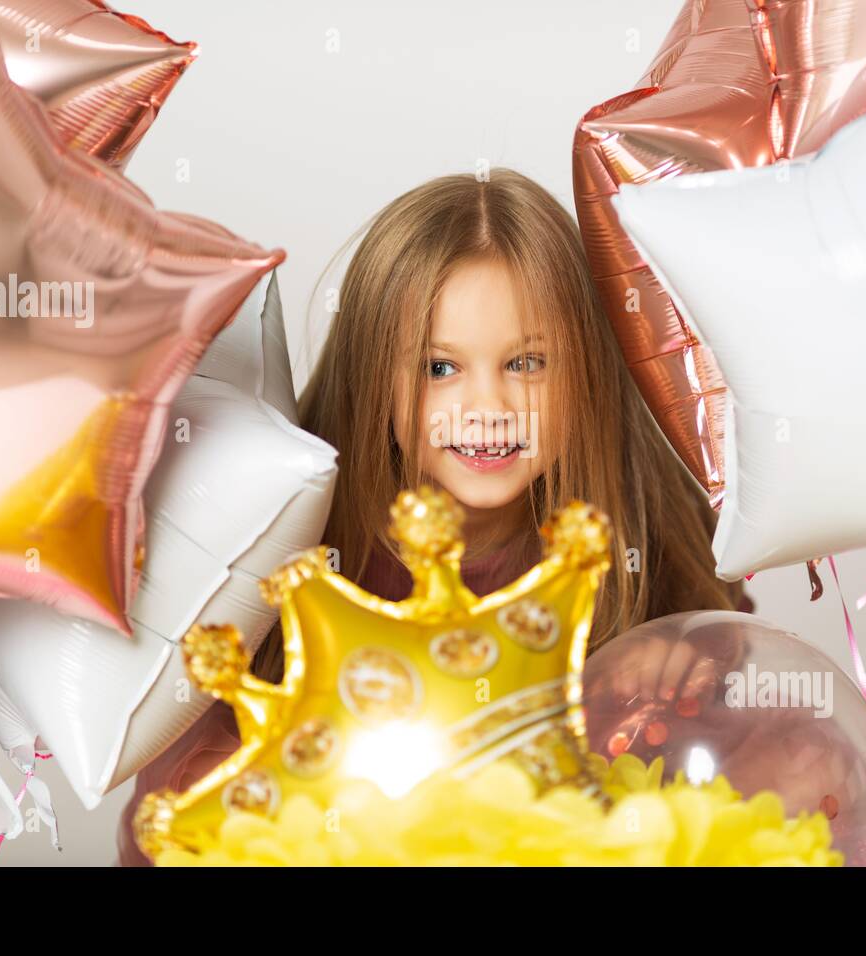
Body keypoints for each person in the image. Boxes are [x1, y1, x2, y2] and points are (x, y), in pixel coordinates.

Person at [116, 169, 747, 865]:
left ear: (587, 373)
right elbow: (187, 795)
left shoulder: (635, 528)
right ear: (372, 372)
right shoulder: (285, 546)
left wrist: (670, 671)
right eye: (440, 369)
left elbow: (728, 734)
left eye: (526, 362)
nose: (488, 407)